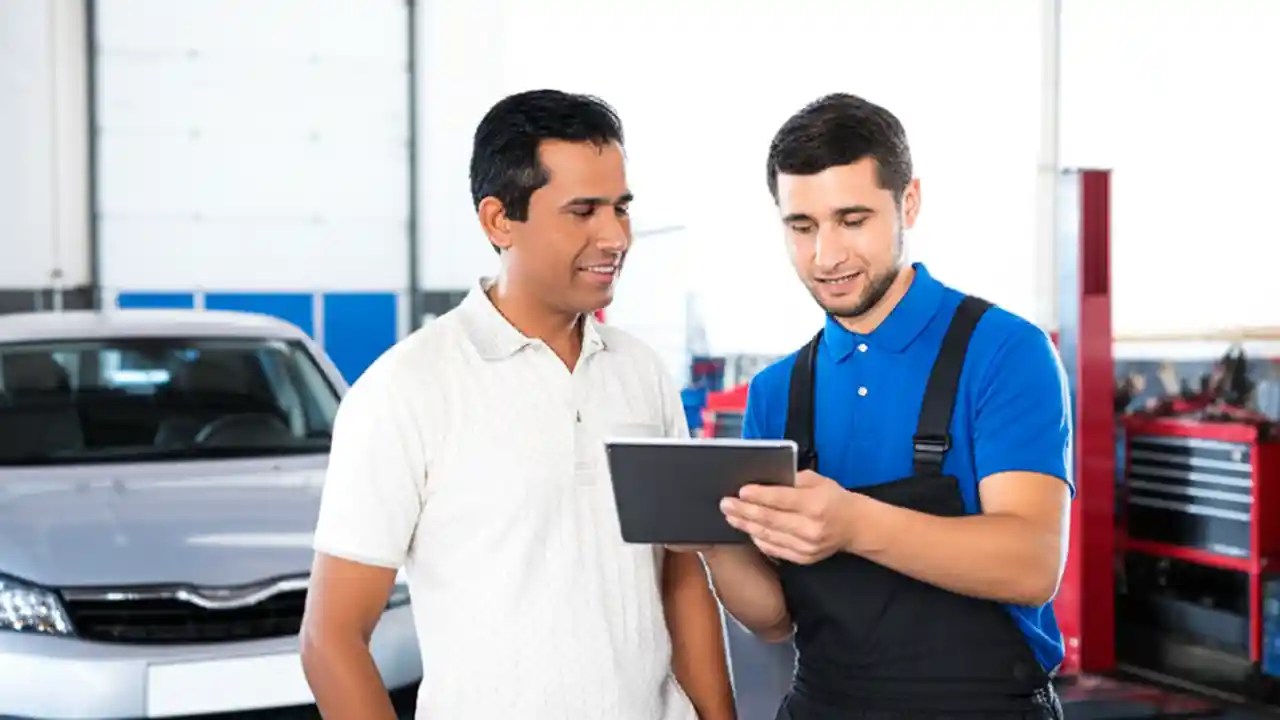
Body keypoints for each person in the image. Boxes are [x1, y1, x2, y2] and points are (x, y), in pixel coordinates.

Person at [300, 89, 736, 720]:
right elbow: (331, 638)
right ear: (499, 220)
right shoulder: (406, 388)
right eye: (582, 211)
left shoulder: (641, 372)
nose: (614, 236)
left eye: (620, 208)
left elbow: (678, 575)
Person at [675, 93, 1072, 719]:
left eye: (852, 220)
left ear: (907, 202)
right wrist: (712, 540)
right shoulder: (776, 391)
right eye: (801, 227)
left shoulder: (1004, 352)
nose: (826, 256)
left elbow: (1030, 565)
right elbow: (776, 619)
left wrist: (852, 525)